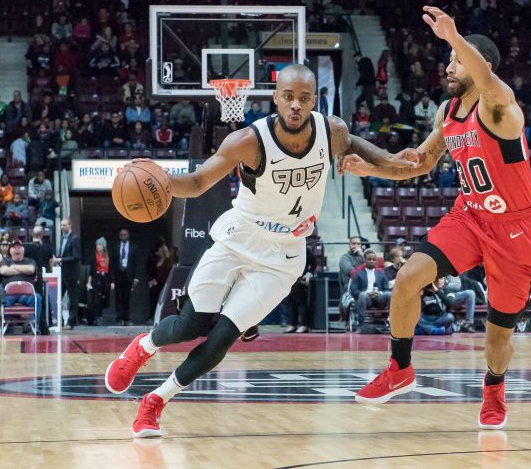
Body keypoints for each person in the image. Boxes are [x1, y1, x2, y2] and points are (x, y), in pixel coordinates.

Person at [103, 64, 419, 438]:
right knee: (190, 326)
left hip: (283, 256)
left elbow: (361, 147)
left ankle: (155, 401)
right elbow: (200, 181)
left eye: (304, 98)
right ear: (275, 98)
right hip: (238, 238)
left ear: (314, 100)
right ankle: (143, 346)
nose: (296, 106)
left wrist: (394, 160)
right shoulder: (248, 140)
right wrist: (163, 181)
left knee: (221, 338)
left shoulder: (331, 131)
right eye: (288, 97)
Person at [341, 7, 531, 430]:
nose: (448, 67)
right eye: (450, 58)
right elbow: (421, 163)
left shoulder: (500, 108)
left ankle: (494, 387)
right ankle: (400, 368)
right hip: (469, 217)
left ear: (477, 63)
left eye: (455, 59)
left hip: (516, 230)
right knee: (408, 276)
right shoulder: (448, 112)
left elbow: (489, 83)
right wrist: (372, 168)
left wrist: (454, 36)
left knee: (497, 335)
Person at [0, 239, 42, 331]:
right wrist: (23, 269)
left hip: (26, 295)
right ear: (10, 251)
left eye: (19, 247)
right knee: (2, 301)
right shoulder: (5, 261)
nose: (17, 249)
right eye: (14, 248)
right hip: (9, 295)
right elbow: (4, 271)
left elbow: (31, 269)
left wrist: (14, 267)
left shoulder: (30, 261)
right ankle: (9, 327)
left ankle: (33, 326)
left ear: (23, 250)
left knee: (37, 298)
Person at [349, 249, 392, 331]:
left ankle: (391, 321)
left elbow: (386, 288)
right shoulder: (358, 274)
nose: (372, 261)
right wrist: (368, 293)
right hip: (366, 299)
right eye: (369, 259)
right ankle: (360, 324)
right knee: (362, 295)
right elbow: (354, 291)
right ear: (364, 260)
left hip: (379, 298)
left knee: (389, 294)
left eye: (373, 259)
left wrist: (379, 293)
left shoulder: (381, 273)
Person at [52, 218, 81, 328]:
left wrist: (60, 260)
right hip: (63, 273)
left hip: (72, 273)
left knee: (73, 299)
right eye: (61, 225)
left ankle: (71, 322)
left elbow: (76, 257)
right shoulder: (63, 239)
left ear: (70, 225)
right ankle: (60, 321)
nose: (62, 227)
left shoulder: (75, 239)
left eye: (64, 225)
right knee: (57, 297)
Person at [283, 246, 316, 333]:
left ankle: (303, 325)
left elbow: (313, 265)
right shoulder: (287, 250)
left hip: (301, 278)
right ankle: (292, 324)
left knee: (301, 302)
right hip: (289, 277)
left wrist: (309, 274)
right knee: (290, 302)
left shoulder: (306, 250)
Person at [110, 228, 139, 326]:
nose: (123, 236)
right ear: (119, 236)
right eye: (121, 235)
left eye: (125, 235)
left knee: (127, 298)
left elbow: (136, 263)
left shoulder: (134, 247)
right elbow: (112, 264)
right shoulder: (115, 247)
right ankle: (119, 319)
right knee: (118, 298)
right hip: (118, 275)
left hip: (128, 275)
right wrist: (112, 279)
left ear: (128, 236)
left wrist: (136, 277)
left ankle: (127, 319)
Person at [86, 237, 111, 326]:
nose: (98, 247)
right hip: (97, 279)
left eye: (100, 245)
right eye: (97, 245)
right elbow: (91, 271)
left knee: (103, 299)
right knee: (96, 300)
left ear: (104, 246)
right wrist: (89, 282)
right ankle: (96, 317)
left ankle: (101, 316)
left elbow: (110, 269)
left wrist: (112, 282)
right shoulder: (95, 256)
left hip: (106, 279)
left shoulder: (108, 256)